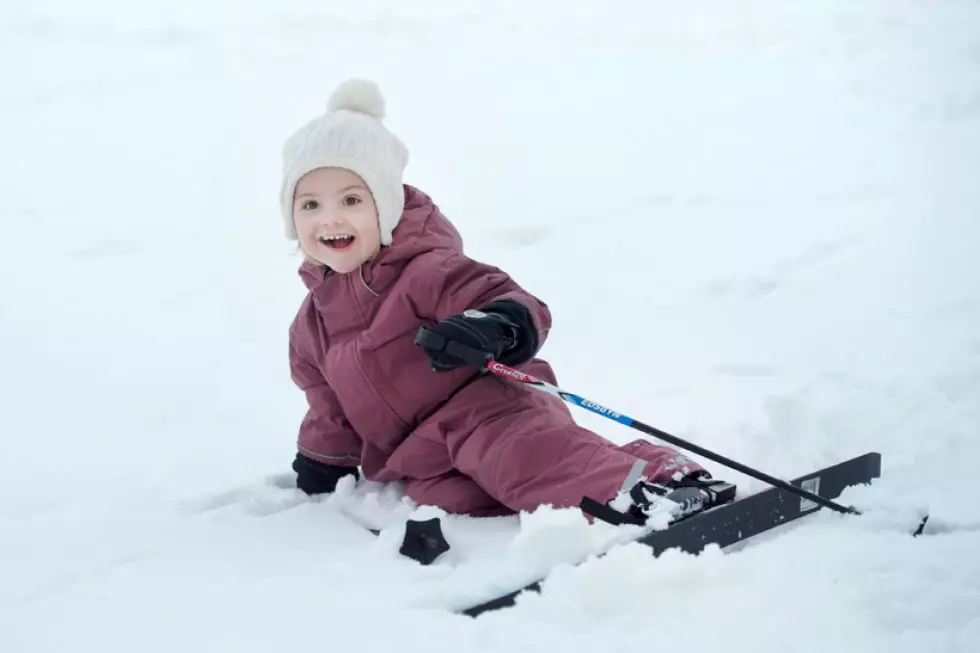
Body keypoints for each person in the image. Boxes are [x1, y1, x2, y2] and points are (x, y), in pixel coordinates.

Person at [282, 78, 731, 525]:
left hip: (492, 410)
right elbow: (329, 407)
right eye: (310, 205)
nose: (331, 218)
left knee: (521, 463)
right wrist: (323, 459)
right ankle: (641, 468)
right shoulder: (311, 330)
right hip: (426, 454)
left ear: (386, 206)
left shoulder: (426, 270)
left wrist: (495, 324)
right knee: (457, 497)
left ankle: (649, 491)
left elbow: (503, 297)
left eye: (352, 199)